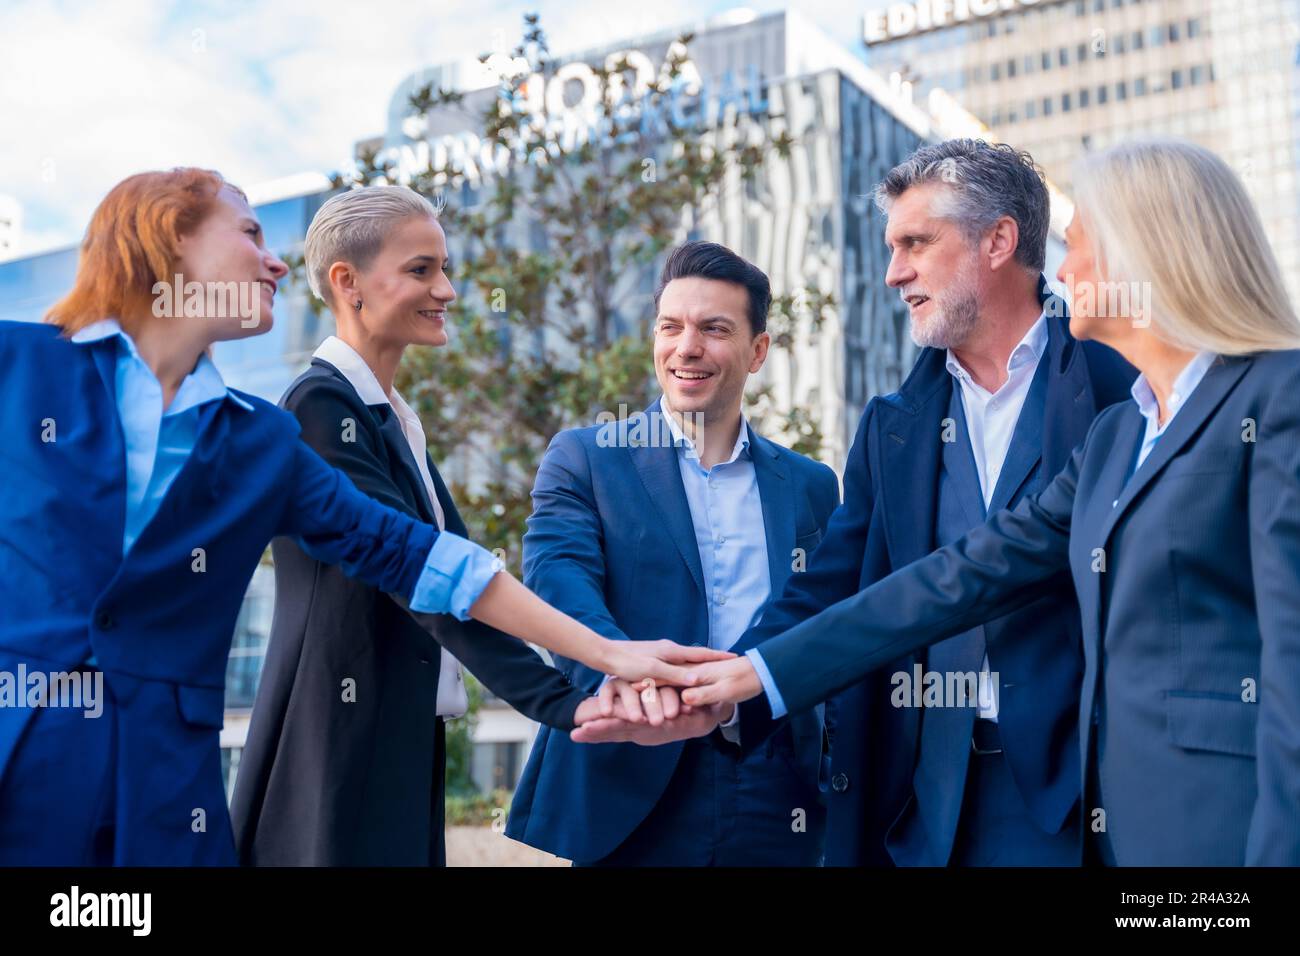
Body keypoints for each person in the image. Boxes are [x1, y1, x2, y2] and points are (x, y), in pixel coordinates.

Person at [0, 168, 727, 866]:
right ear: (170, 237)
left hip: (163, 804)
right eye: (251, 233)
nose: (277, 262)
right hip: (27, 769)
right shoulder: (18, 366)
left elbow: (426, 563)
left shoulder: (260, 442)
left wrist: (611, 660)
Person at [678, 139, 1300, 866]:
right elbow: (953, 579)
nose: (1066, 268)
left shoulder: (1273, 398)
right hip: (954, 809)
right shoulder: (1118, 435)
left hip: (1177, 827)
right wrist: (751, 675)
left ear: (1147, 247)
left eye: (1084, 243)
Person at [575, 139, 1135, 866]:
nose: (895, 272)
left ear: (999, 241)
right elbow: (827, 586)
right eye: (892, 246)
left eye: (916, 244)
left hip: (1084, 797)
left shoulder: (1119, 385)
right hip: (926, 806)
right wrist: (723, 687)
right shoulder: (892, 426)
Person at [231, 186, 677, 865]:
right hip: (333, 743)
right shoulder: (321, 407)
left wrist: (570, 699)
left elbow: (460, 585)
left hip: (396, 736)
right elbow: (432, 586)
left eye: (445, 268)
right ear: (346, 283)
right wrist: (588, 679)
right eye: (421, 270)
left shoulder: (392, 418)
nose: (447, 289)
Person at [505, 241, 840, 866]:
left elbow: (818, 608)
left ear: (758, 350)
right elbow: (559, 575)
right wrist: (620, 671)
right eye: (671, 327)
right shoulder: (585, 457)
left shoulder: (811, 485)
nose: (687, 347)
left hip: (775, 775)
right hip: (629, 763)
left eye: (715, 329)